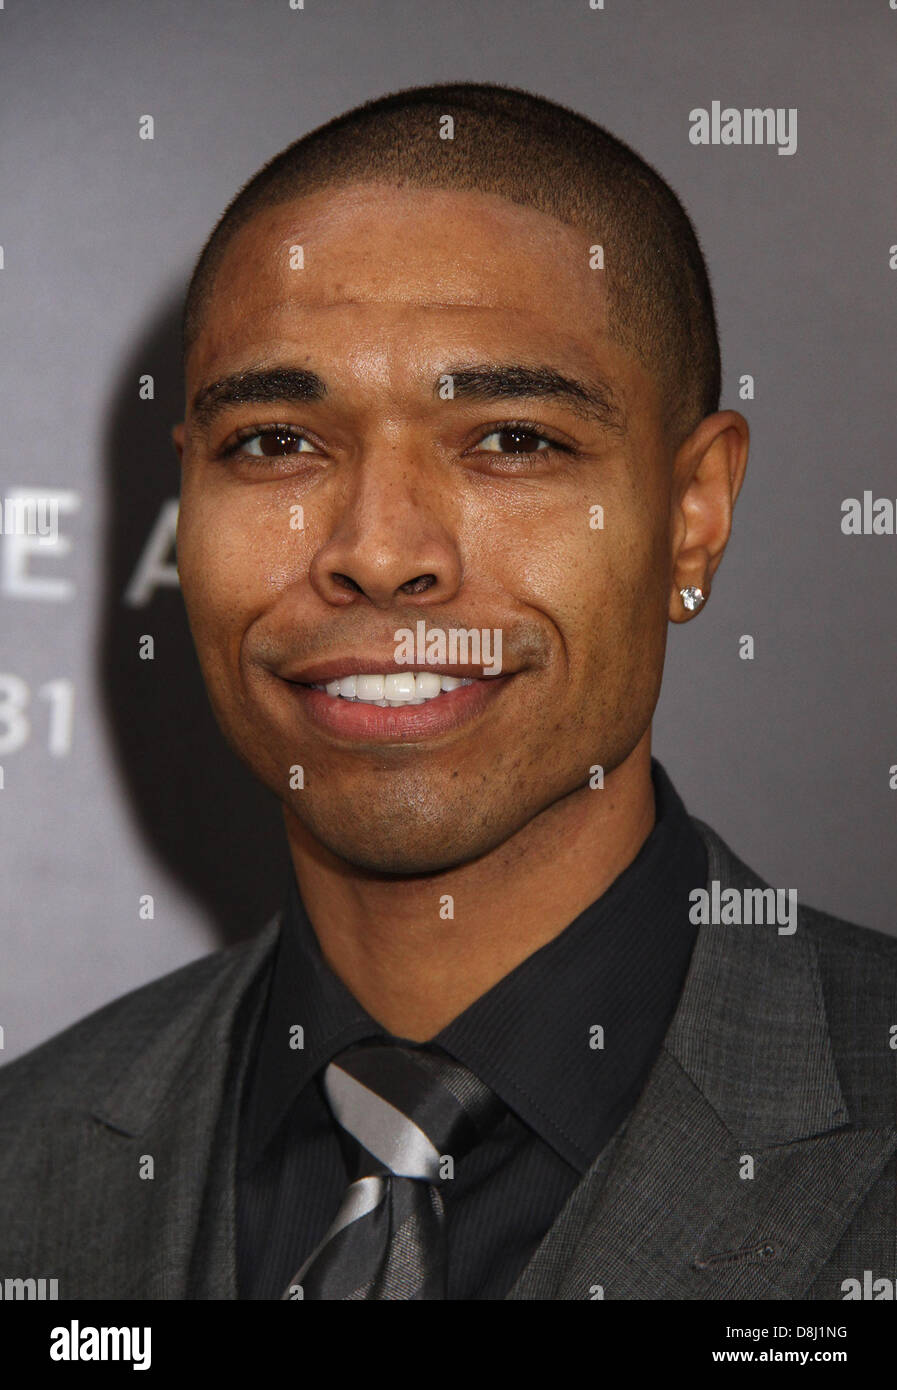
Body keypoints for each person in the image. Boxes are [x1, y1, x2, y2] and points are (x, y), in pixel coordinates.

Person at [1, 82, 894, 1302]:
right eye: (274, 441)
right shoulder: (24, 1164)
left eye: (512, 439)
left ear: (694, 516)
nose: (378, 547)